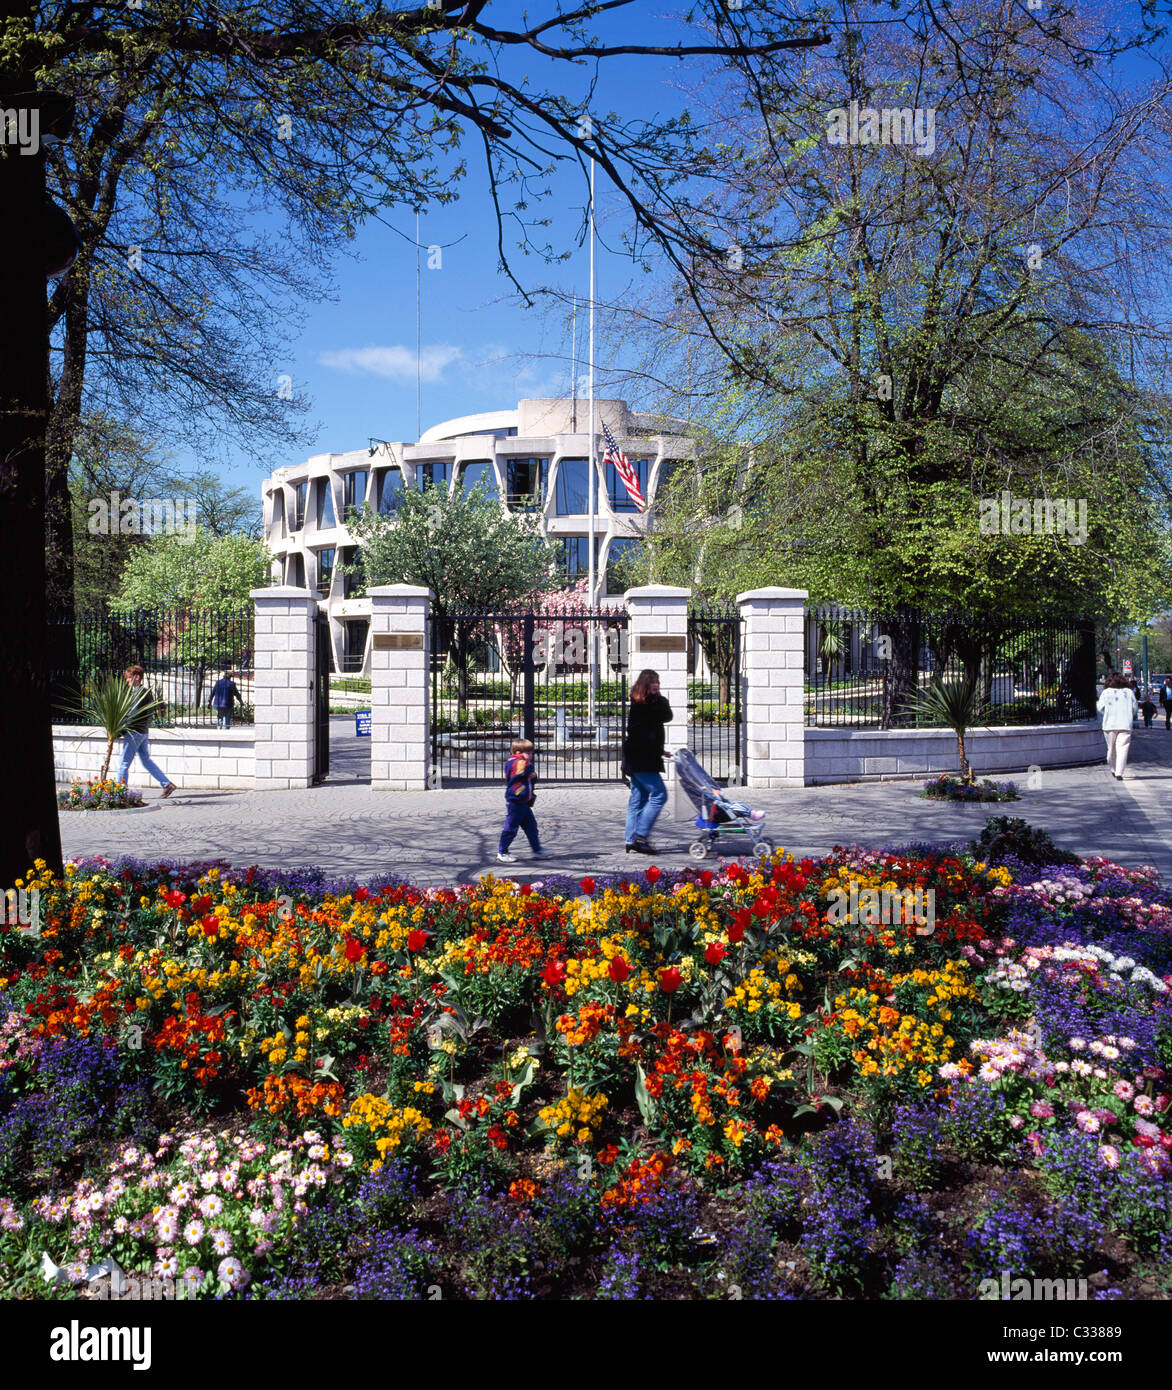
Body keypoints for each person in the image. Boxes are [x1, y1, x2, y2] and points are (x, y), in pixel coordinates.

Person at [622, 669, 673, 854]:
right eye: (653, 682)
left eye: (658, 681)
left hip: (640, 758)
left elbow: (666, 717)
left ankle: (631, 840)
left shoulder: (647, 703)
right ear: (645, 683)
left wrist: (661, 751)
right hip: (642, 759)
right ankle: (641, 836)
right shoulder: (642, 705)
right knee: (659, 795)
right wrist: (657, 699)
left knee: (638, 799)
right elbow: (643, 734)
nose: (657, 684)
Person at [118, 665, 177, 797]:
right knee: (146, 761)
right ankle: (167, 784)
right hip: (143, 732)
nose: (127, 681)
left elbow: (132, 714)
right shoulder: (145, 692)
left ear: (137, 677)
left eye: (128, 678)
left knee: (123, 764)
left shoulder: (138, 694)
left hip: (134, 732)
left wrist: (121, 730)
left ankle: (120, 793)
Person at [497, 737, 553, 864]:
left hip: (523, 803)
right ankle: (502, 852)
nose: (530, 755)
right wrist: (530, 770)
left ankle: (536, 850)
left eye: (531, 753)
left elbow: (527, 777)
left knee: (531, 827)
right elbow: (521, 771)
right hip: (515, 801)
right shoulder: (516, 762)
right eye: (528, 753)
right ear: (517, 753)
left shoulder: (521, 763)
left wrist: (533, 776)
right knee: (510, 828)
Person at [1096, 672, 1139, 781]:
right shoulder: (1129, 692)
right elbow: (1135, 709)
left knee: (1111, 748)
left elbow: (1100, 707)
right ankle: (1119, 772)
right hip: (1125, 723)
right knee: (1123, 748)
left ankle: (1113, 769)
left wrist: (1107, 713)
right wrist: (1129, 714)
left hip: (1109, 724)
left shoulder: (1106, 692)